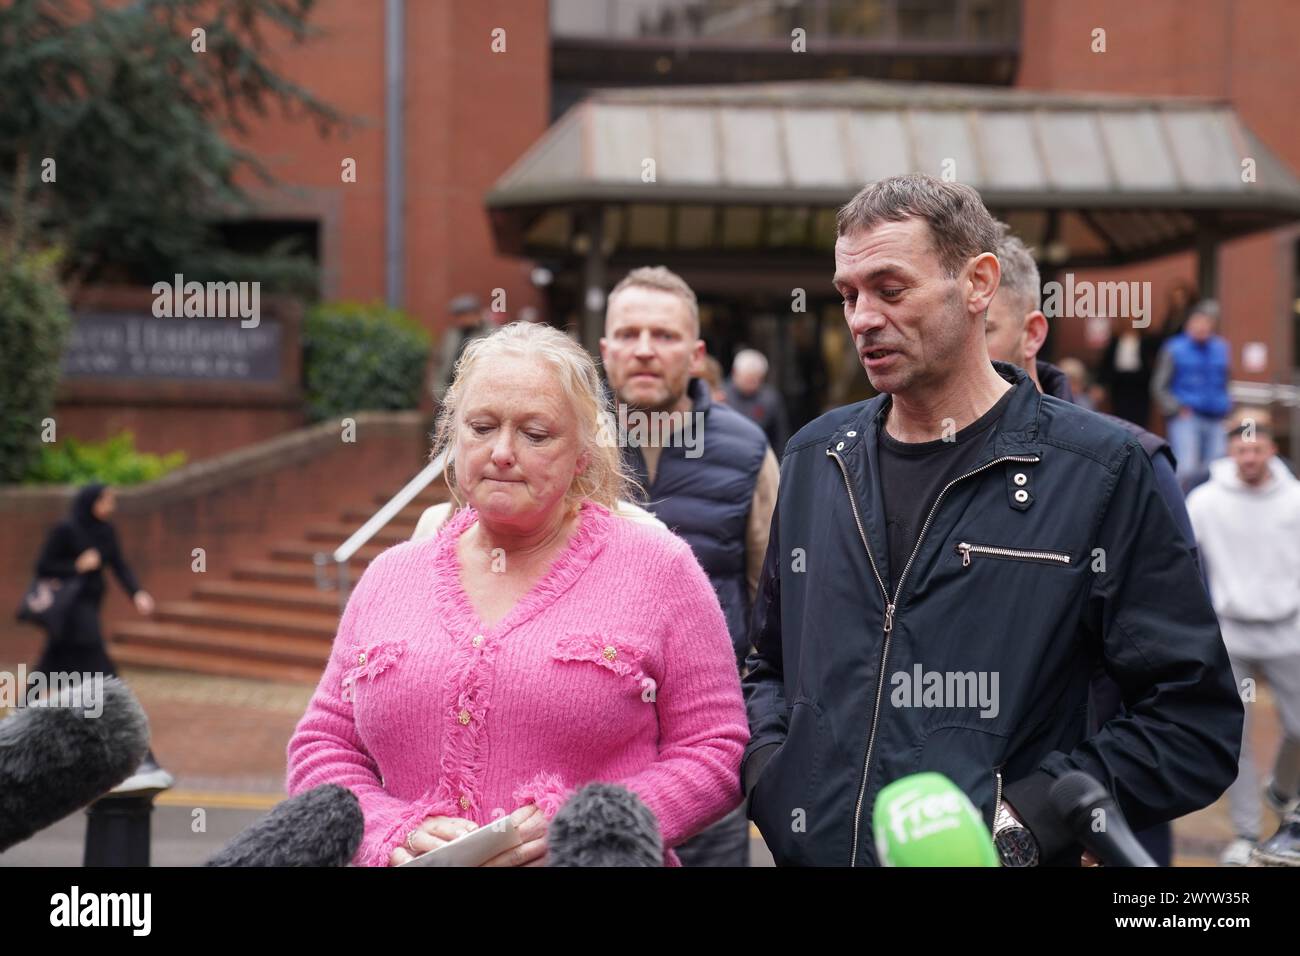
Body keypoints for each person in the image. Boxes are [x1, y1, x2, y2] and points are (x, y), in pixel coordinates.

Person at [743, 173, 1243, 867]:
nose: (860, 318)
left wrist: (1026, 823)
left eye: (891, 289)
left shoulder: (1102, 470)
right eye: (849, 295)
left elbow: (1194, 722)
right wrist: (774, 776)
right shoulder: (814, 455)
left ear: (979, 283)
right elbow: (767, 663)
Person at [287, 320, 748, 867]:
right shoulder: (390, 576)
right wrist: (390, 833)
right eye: (481, 426)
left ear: (583, 452)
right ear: (452, 440)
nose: (503, 452)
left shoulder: (658, 569)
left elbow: (715, 748)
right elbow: (322, 746)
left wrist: (589, 834)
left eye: (536, 434)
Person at [985, 227, 1200, 866]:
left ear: (1033, 333)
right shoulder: (913, 459)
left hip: (1092, 813)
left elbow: (1175, 683)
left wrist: (1081, 802)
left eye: (986, 328)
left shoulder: (1129, 464)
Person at [599, 266, 778, 867]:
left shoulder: (747, 449)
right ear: (604, 350)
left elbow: (772, 604)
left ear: (698, 354)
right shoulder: (563, 447)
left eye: (665, 335)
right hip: (591, 753)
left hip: (705, 755)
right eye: (627, 334)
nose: (644, 349)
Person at [1185, 418, 1300, 865]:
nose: (1249, 458)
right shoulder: (1206, 501)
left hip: (1288, 628)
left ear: (1272, 449)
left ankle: (1284, 790)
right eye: (1241, 451)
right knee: (1239, 736)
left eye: (1258, 449)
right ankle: (1246, 833)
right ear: (1231, 453)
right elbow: (1179, 555)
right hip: (1231, 630)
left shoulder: (1294, 500)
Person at [28, 483, 172, 793]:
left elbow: (119, 565)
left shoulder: (105, 531)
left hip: (83, 617)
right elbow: (43, 566)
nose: (111, 505)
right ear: (92, 502)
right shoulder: (66, 530)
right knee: (107, 680)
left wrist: (137, 593)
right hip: (73, 618)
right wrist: (76, 566)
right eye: (107, 500)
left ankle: (14, 736)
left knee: (44, 676)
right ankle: (141, 754)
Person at [1152, 299, 1232, 477]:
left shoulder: (1221, 347)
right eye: (1197, 322)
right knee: (1187, 468)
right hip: (1187, 415)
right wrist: (1175, 408)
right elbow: (1159, 385)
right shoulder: (1174, 348)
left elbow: (1226, 381)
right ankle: (1185, 504)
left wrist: (1228, 408)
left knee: (1216, 467)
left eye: (1206, 322)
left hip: (1217, 417)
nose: (1202, 327)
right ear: (1188, 324)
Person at [724, 349, 791, 457]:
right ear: (734, 373)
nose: (750, 384)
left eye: (755, 380)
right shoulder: (721, 396)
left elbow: (780, 437)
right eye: (747, 379)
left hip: (759, 456)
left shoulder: (770, 399)